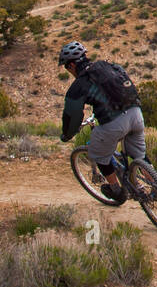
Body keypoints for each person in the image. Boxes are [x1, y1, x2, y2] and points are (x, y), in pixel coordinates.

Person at [58, 41, 146, 203]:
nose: (67, 71)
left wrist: (67, 134)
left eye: (66, 67)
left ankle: (116, 191)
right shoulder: (108, 66)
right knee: (140, 155)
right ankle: (156, 187)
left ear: (71, 65)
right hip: (136, 113)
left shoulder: (78, 86)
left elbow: (72, 115)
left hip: (114, 124)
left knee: (99, 154)